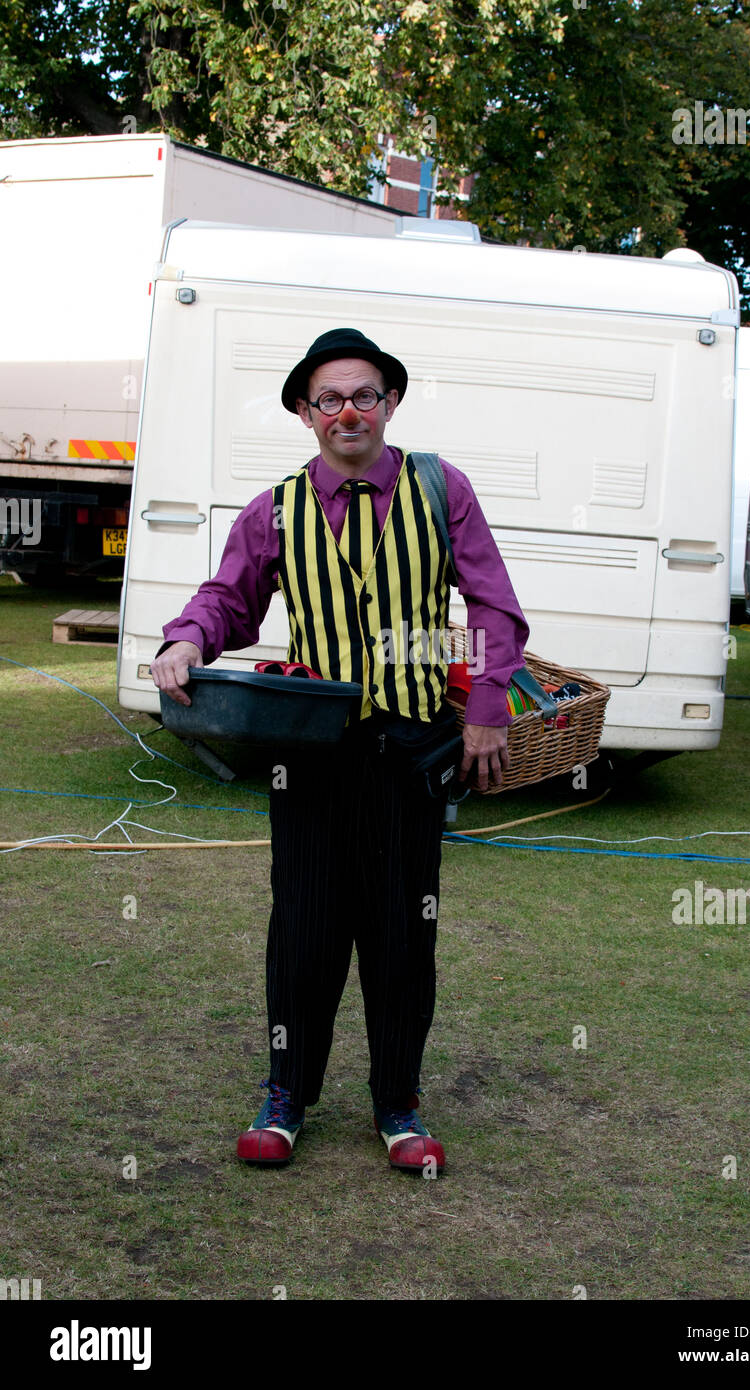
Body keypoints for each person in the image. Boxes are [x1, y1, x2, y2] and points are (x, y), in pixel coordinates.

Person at [151, 327, 528, 1173]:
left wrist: (492, 702)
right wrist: (185, 642)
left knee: (401, 931)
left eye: (364, 395)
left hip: (413, 743)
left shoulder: (440, 488)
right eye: (329, 399)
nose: (347, 411)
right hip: (313, 748)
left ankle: (398, 1103)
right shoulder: (275, 509)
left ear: (389, 405)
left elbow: (491, 603)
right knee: (306, 927)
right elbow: (226, 600)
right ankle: (286, 1095)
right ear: (304, 413)